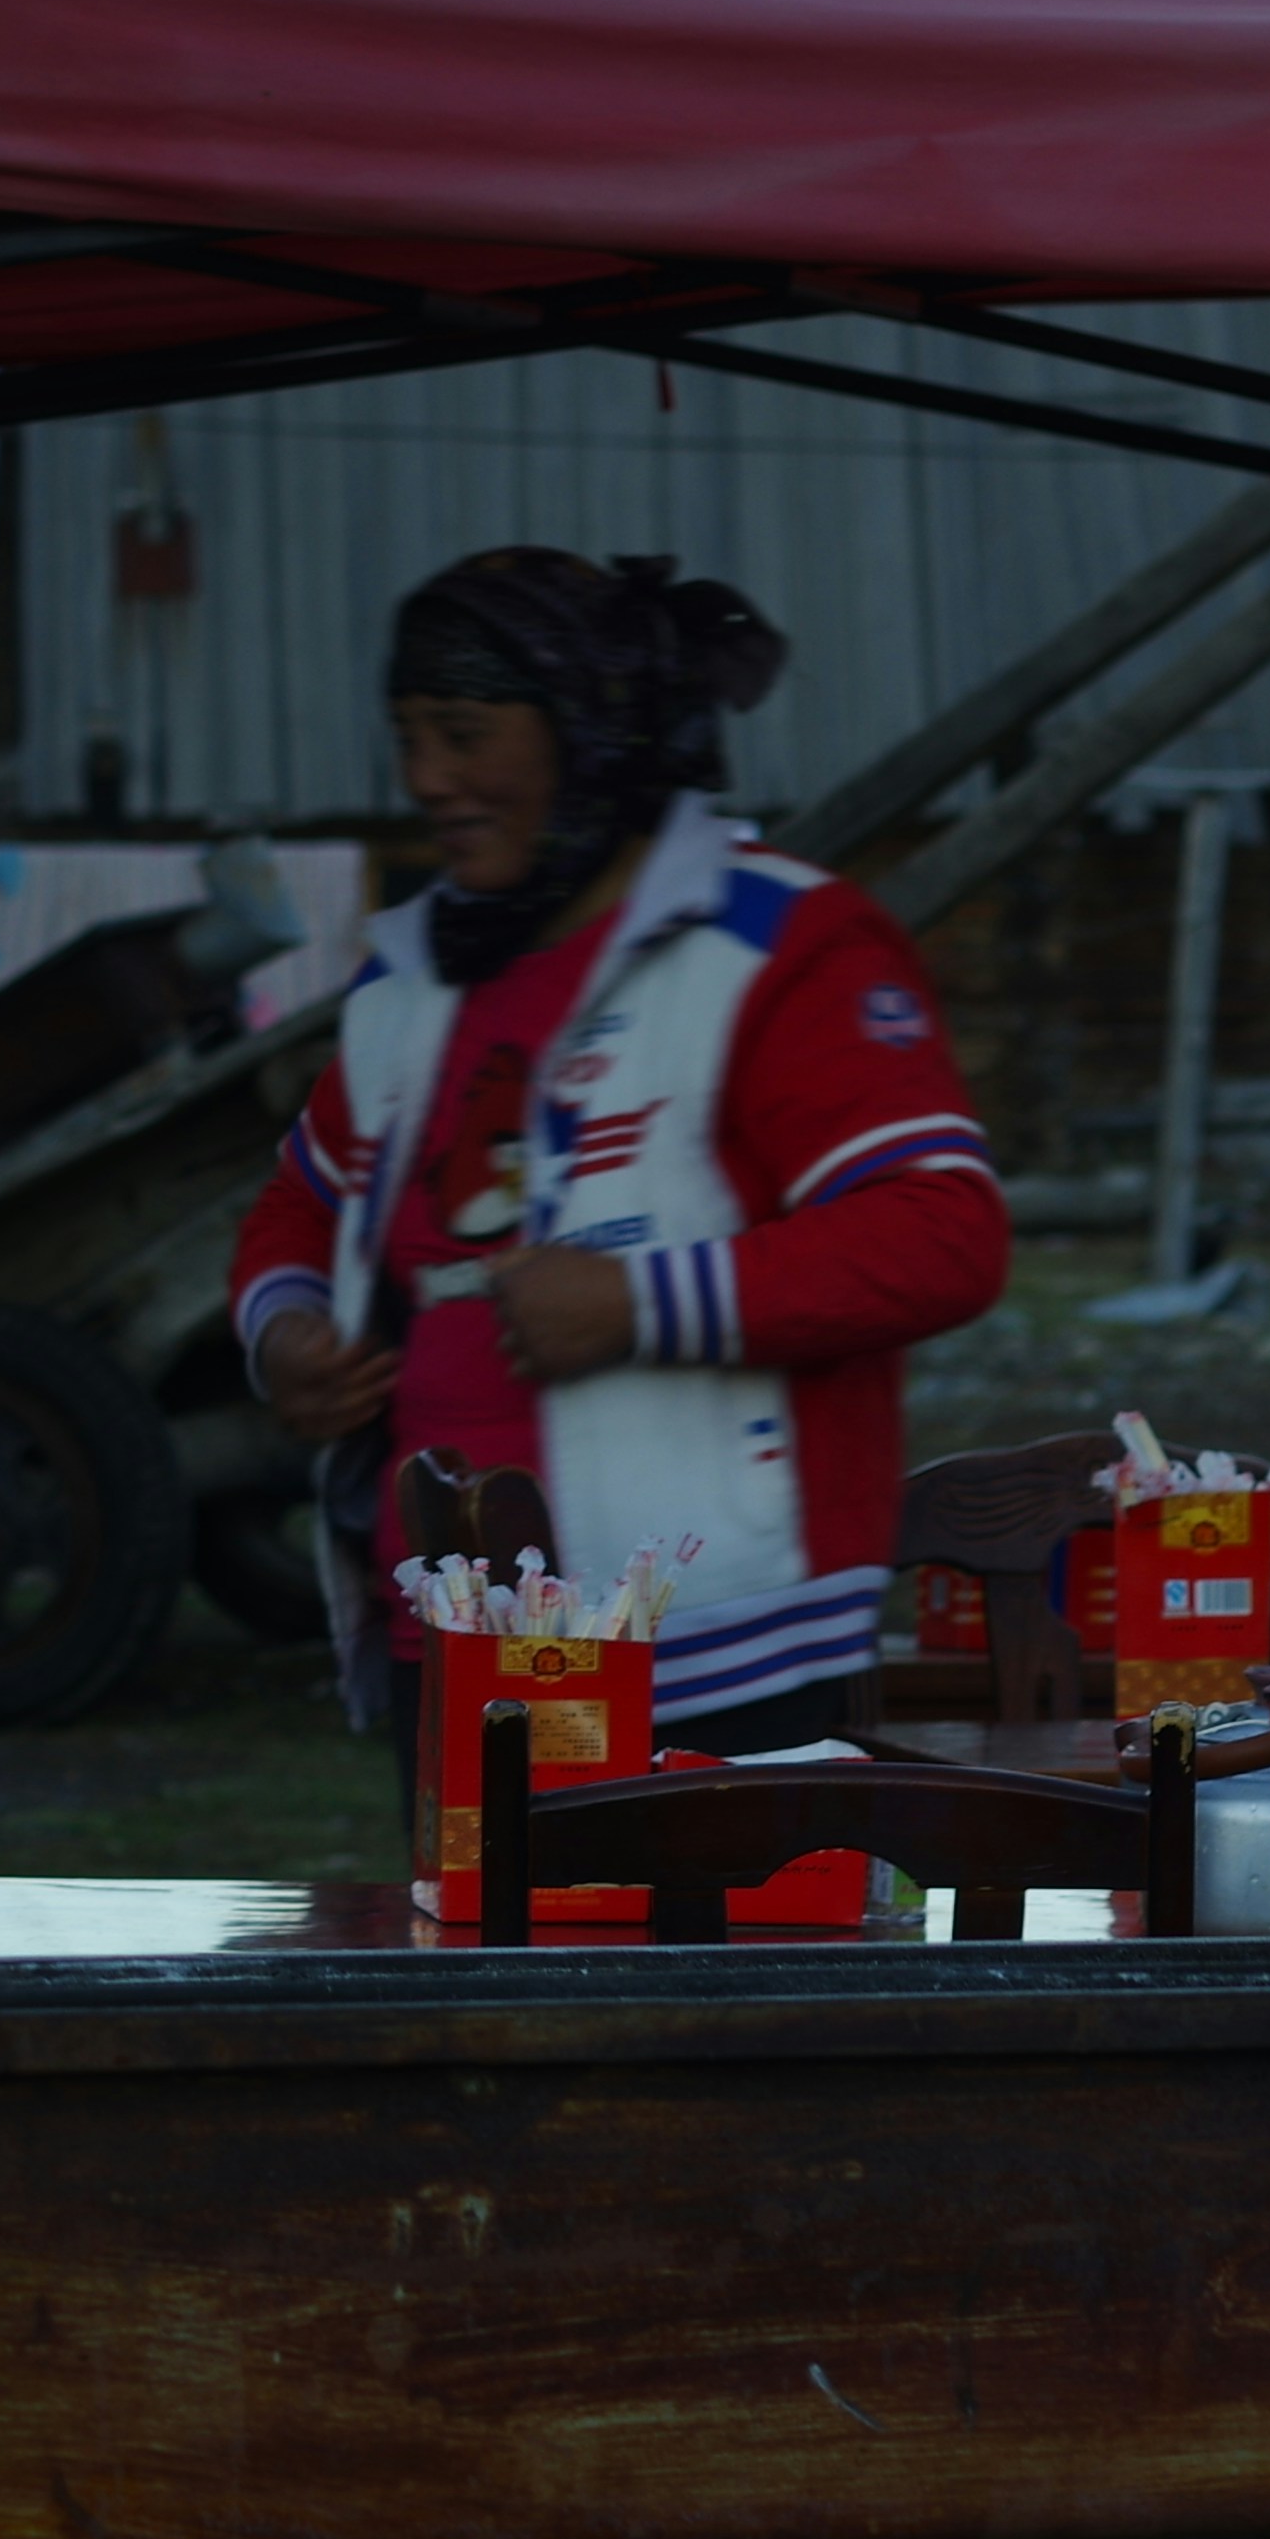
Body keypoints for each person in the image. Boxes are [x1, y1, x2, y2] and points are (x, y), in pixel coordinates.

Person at [231, 549, 1010, 1747]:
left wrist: (642, 1302)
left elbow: (941, 1231)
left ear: (589, 734)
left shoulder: (776, 945)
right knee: (465, 1940)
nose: (427, 778)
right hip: (448, 1650)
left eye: (464, 733)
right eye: (408, 736)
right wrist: (284, 1329)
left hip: (723, 1661)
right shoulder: (415, 976)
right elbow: (301, 1204)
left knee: (739, 1944)